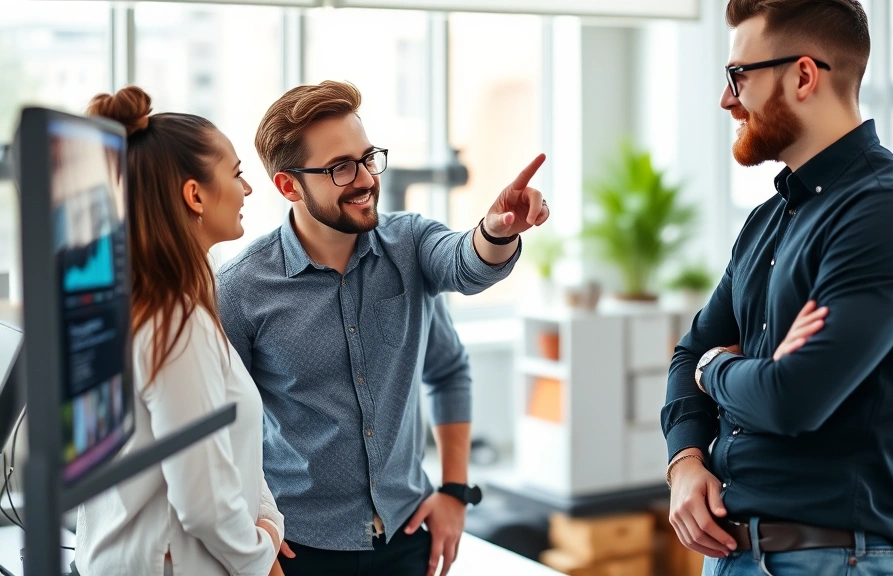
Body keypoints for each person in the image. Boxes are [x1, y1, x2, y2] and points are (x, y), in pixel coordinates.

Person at [661, 1, 893, 575]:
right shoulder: (767, 222)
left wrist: (715, 371)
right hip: (734, 555)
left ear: (804, 75)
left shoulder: (890, 216)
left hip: (831, 558)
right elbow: (686, 352)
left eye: (740, 76)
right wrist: (684, 460)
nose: (727, 99)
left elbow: (791, 399)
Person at [216, 79, 548, 576]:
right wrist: (249, 534)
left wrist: (455, 491)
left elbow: (463, 274)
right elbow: (220, 428)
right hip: (297, 549)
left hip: (406, 537)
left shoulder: (409, 244)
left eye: (368, 157)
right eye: (340, 167)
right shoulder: (241, 290)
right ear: (289, 186)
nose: (366, 178)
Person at [75, 86, 288, 576]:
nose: (248, 189)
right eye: (236, 173)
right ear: (194, 194)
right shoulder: (175, 325)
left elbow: (220, 450)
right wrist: (262, 550)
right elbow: (205, 503)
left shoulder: (134, 307)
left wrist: (267, 519)